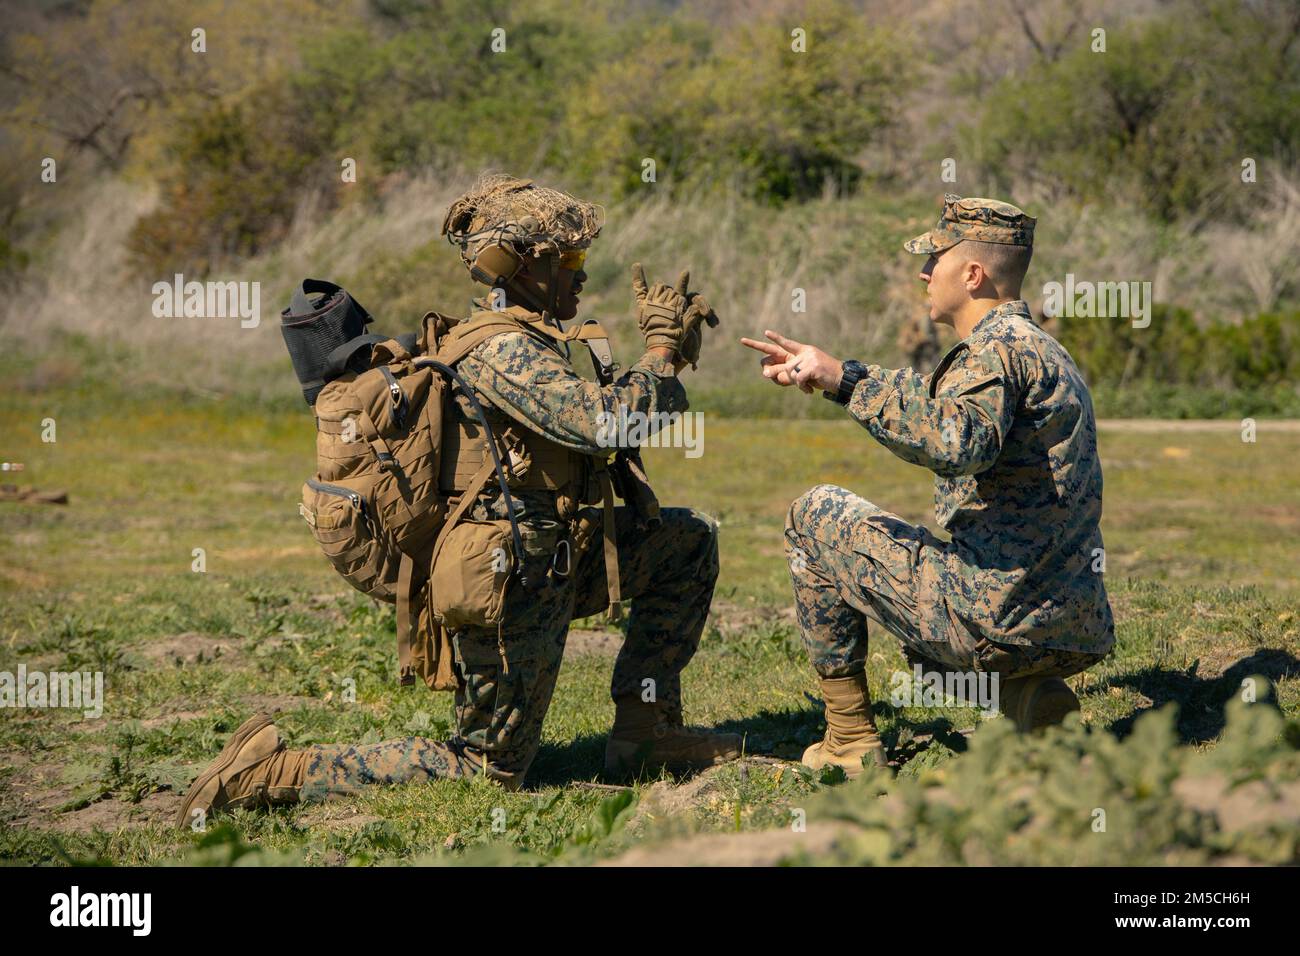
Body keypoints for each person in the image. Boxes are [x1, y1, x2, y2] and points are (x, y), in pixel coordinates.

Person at [178, 175, 736, 827]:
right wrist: (663, 353)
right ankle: (270, 772)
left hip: (553, 558)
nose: (582, 275)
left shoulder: (527, 337)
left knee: (685, 544)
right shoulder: (501, 349)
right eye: (571, 261)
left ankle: (647, 732)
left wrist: (657, 363)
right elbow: (605, 423)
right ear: (518, 265)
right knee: (489, 769)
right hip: (506, 586)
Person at [741, 194, 1114, 778]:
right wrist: (842, 372)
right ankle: (1024, 703)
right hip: (1071, 623)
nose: (922, 272)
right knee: (923, 659)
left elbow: (956, 441)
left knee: (813, 516)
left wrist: (843, 384)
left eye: (933, 258)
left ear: (972, 273)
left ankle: (848, 741)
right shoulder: (1043, 350)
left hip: (996, 615)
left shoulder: (992, 352)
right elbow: (941, 404)